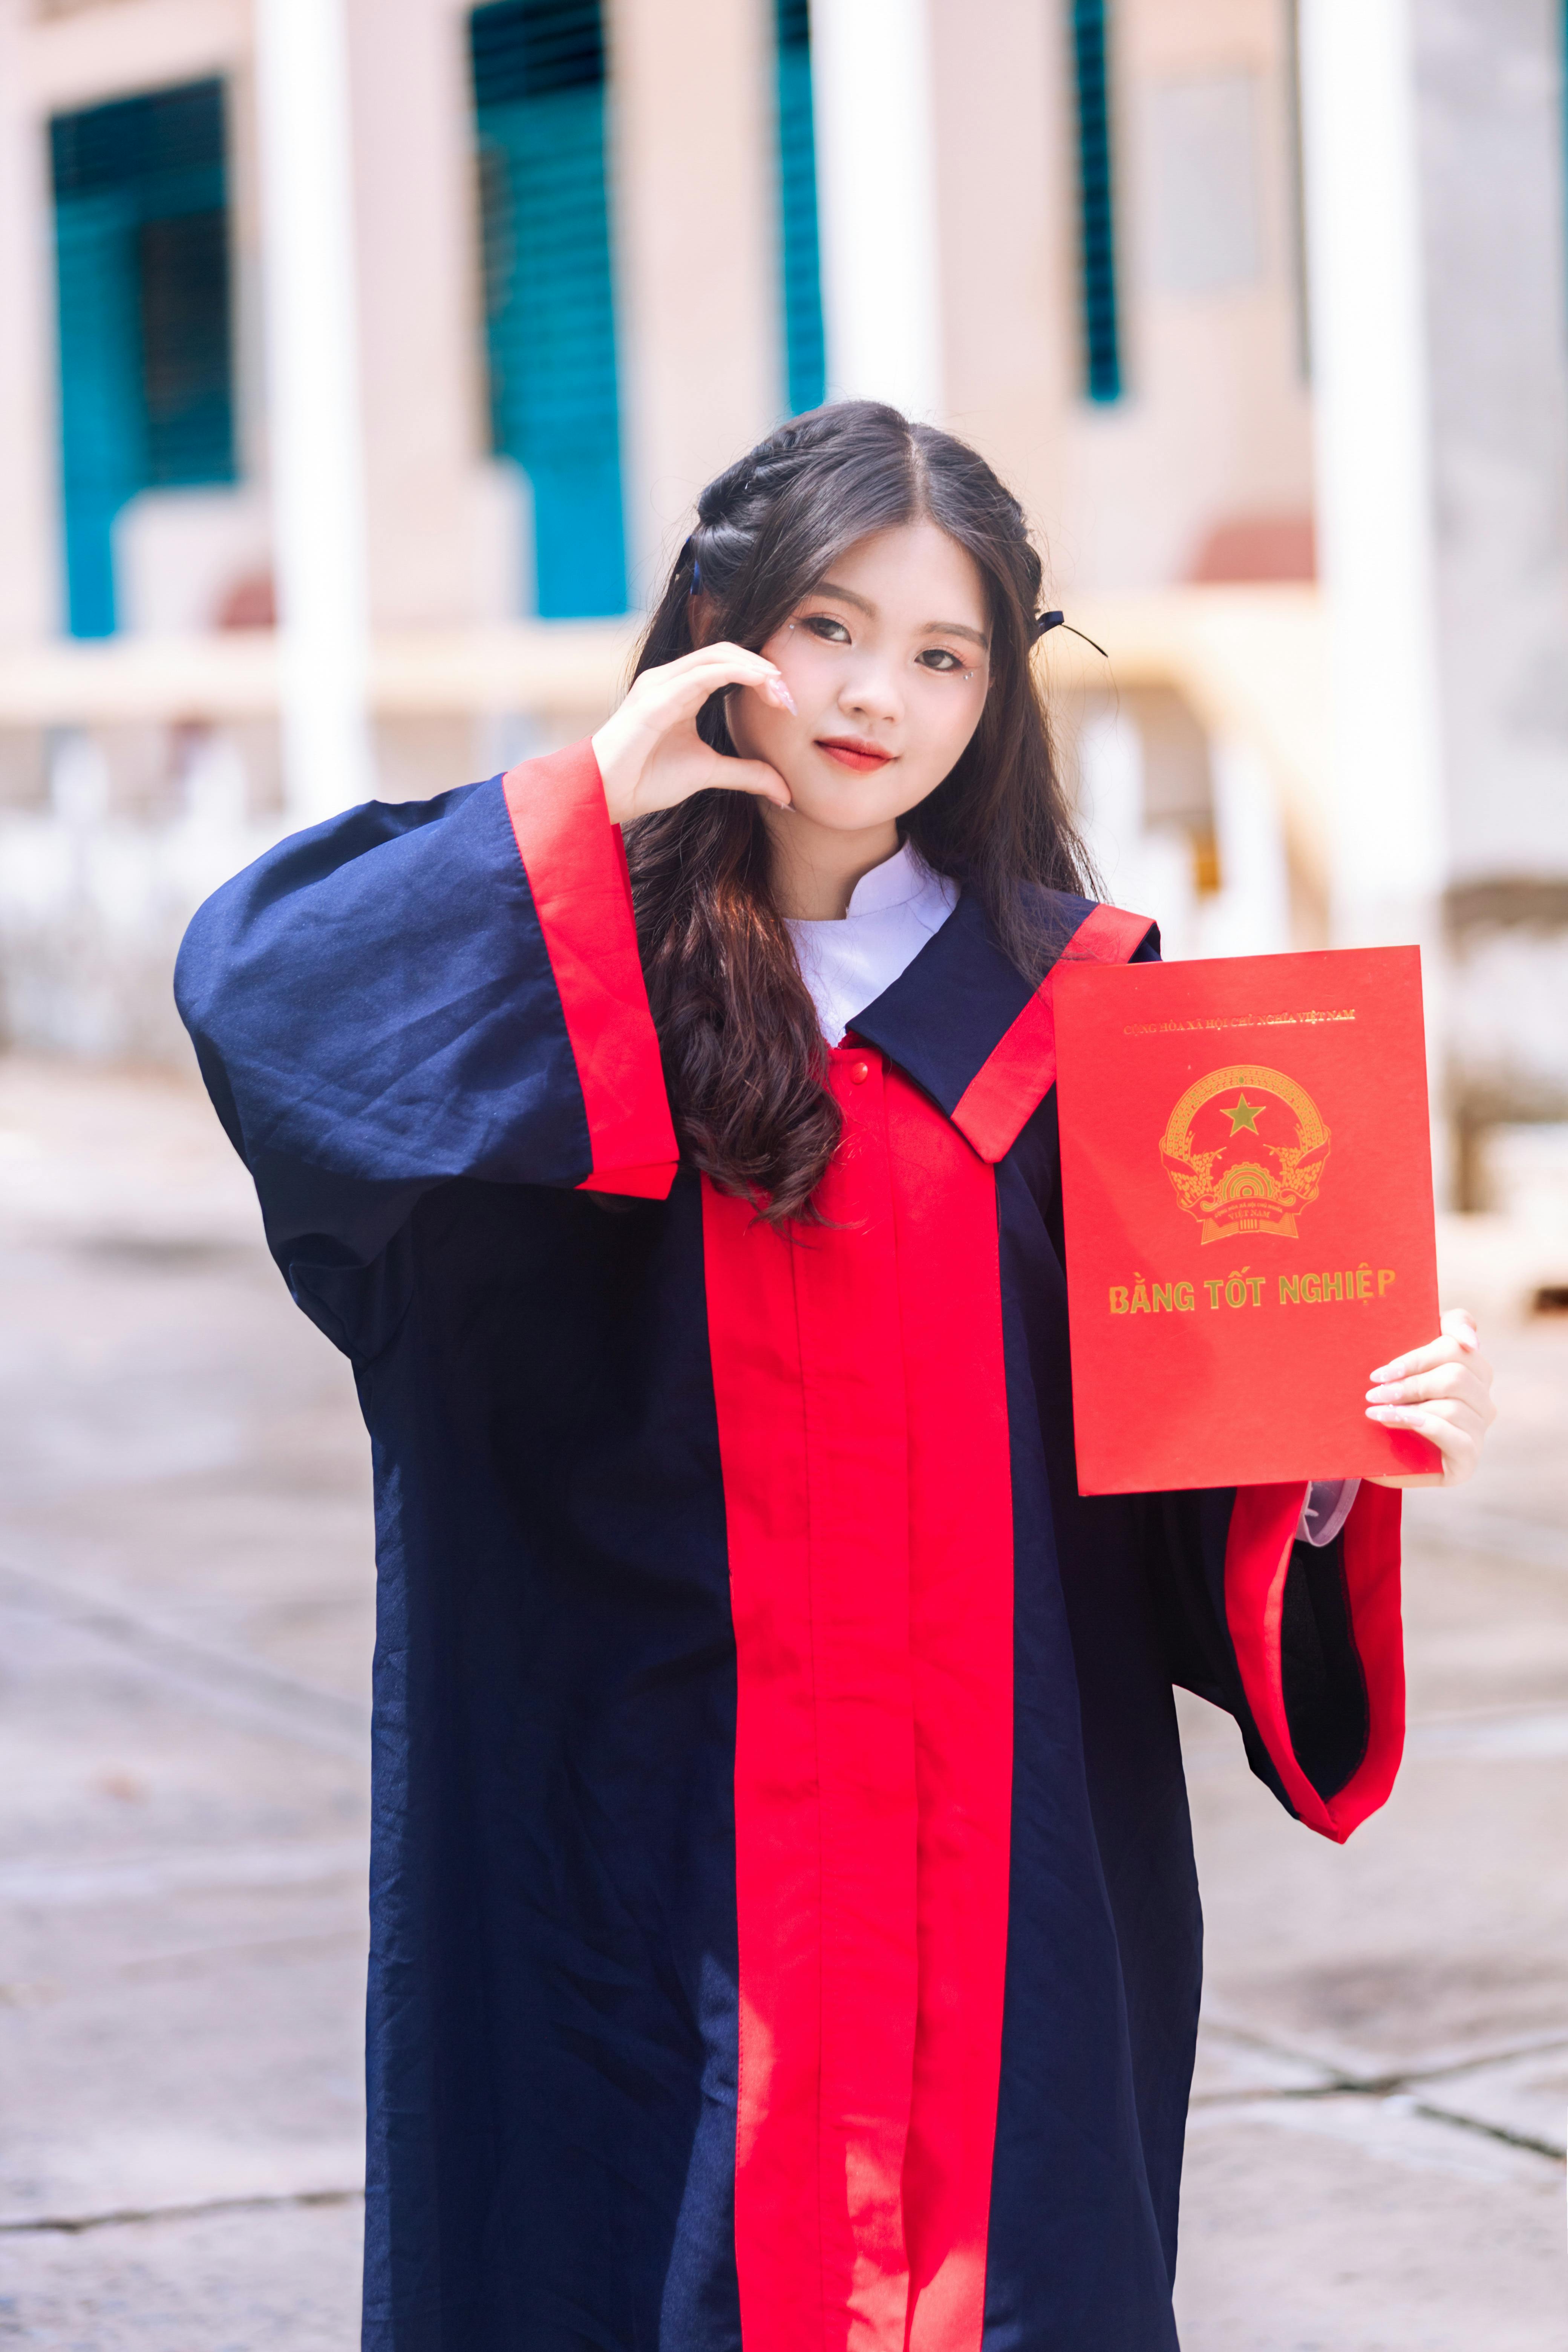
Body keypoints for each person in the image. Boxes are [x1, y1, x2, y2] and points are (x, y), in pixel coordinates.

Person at [175, 403, 1496, 2352]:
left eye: (947, 654)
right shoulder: (553, 992)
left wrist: (1317, 1454)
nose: (882, 695)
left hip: (1001, 1851)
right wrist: (594, 792)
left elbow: (1158, 1454)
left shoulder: (1082, 1014)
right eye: (831, 628)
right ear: (725, 625)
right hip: (648, 1834)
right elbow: (276, 1012)